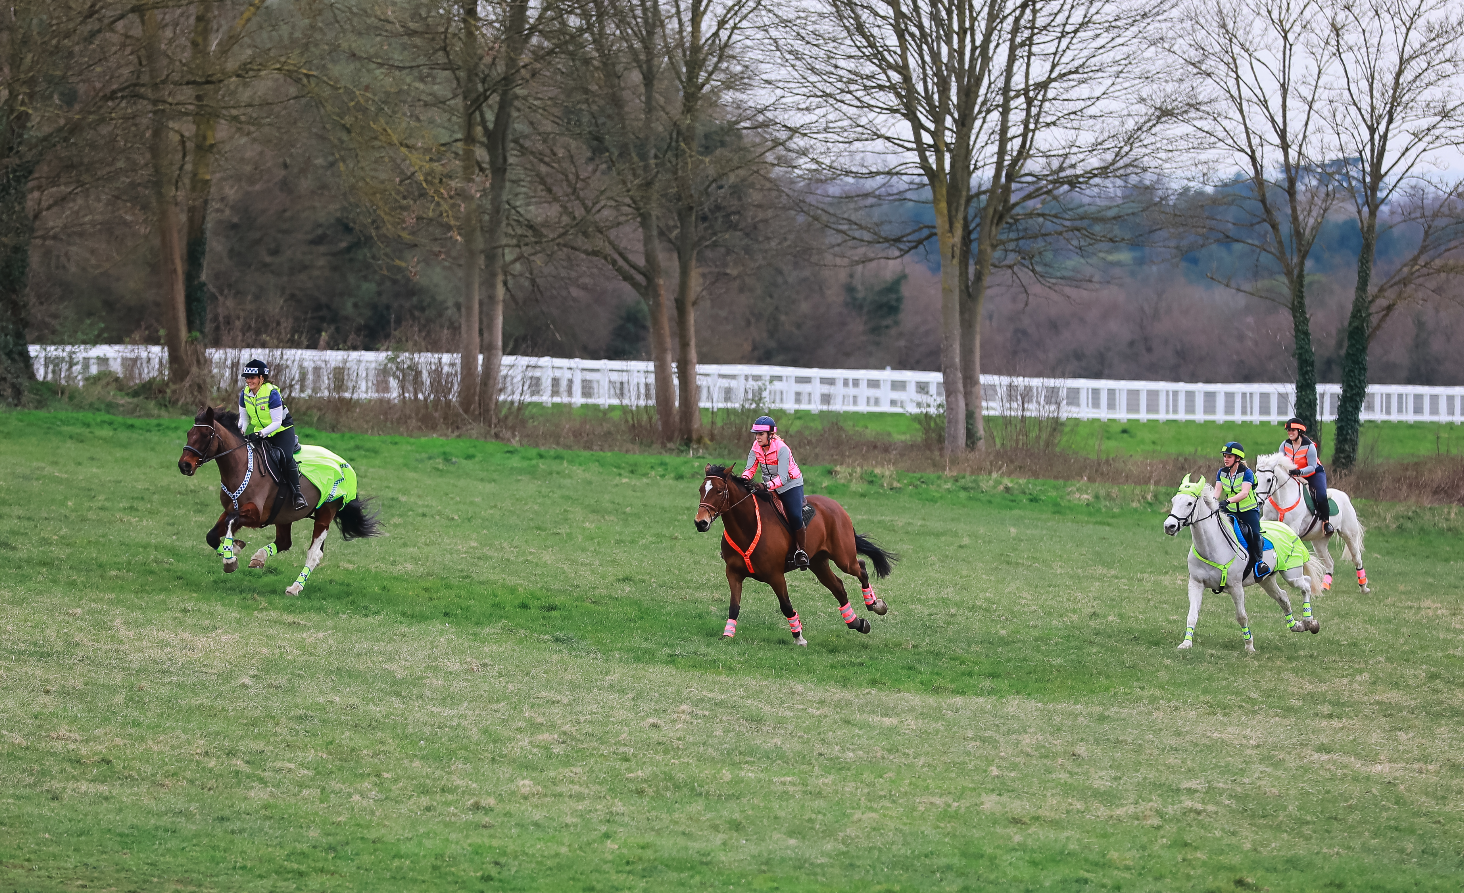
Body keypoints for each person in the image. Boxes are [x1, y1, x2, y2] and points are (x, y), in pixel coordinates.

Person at [238, 358, 308, 510]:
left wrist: (260, 434)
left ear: (262, 378)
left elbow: (276, 422)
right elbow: (244, 419)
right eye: (247, 378)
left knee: (286, 457)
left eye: (252, 378)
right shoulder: (244, 394)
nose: (249, 381)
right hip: (261, 432)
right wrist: (240, 431)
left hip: (282, 430)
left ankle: (297, 494)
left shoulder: (272, 393)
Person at [742, 415, 810, 569]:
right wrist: (743, 480)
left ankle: (801, 552)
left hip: (790, 485)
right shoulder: (755, 447)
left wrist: (766, 486)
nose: (757, 437)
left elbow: (784, 477)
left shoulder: (782, 449)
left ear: (770, 434)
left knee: (794, 514)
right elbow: (750, 469)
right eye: (756, 434)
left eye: (760, 434)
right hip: (769, 485)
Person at [1213, 441, 1270, 581]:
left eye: (1229, 456)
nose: (1225, 459)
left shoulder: (1247, 473)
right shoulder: (1221, 473)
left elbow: (1244, 493)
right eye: (1225, 456)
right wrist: (1212, 503)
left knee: (1255, 533)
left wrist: (1227, 501)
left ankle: (1259, 563)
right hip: (1230, 510)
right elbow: (1217, 492)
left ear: (1237, 459)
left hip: (1248, 511)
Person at [1280, 417, 1334, 536]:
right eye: (1288, 430)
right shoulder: (1284, 445)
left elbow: (1312, 466)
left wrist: (1298, 472)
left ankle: (1326, 522)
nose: (1290, 433)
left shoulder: (1309, 446)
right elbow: (1280, 461)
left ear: (1300, 432)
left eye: (1293, 430)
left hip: (1314, 473)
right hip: (1294, 474)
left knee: (1320, 496)